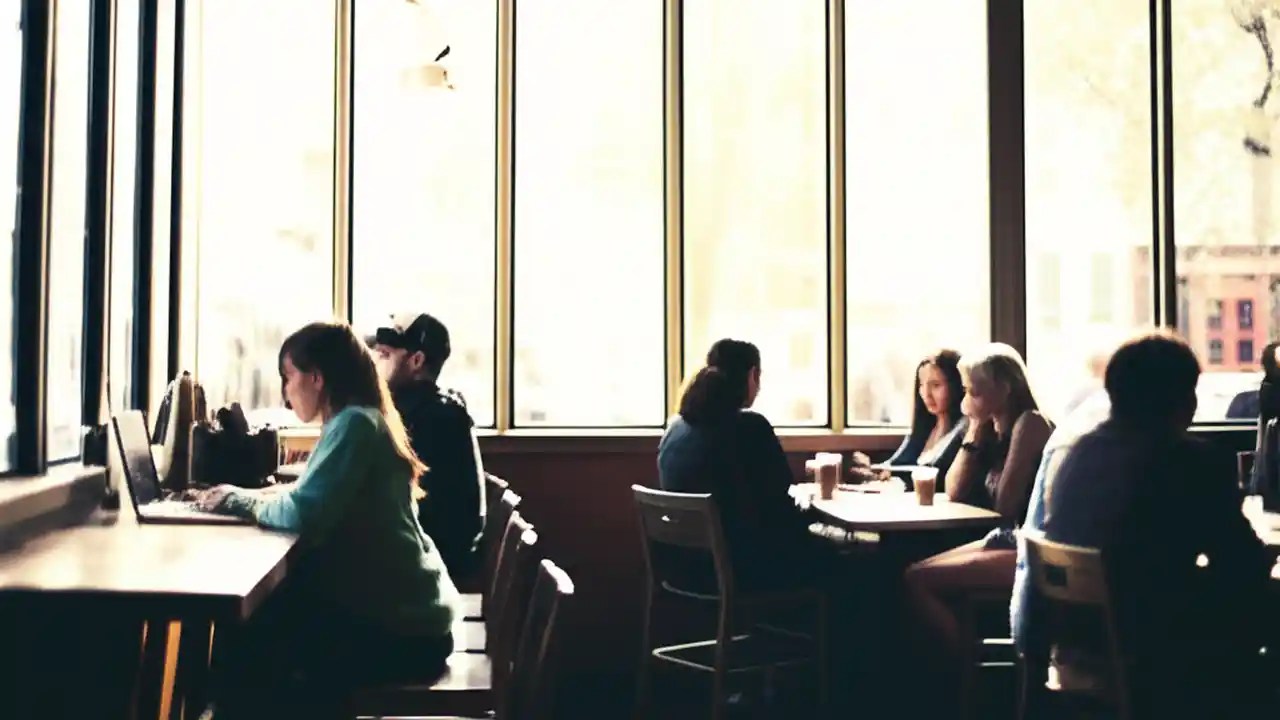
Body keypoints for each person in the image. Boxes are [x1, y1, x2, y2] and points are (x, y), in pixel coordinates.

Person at [196, 322, 458, 718]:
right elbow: (309, 498)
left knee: (252, 646)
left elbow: (304, 512)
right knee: (260, 633)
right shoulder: (360, 421)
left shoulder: (354, 425)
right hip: (413, 617)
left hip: (405, 631)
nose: (286, 391)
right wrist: (253, 498)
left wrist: (238, 499)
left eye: (289, 377)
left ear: (317, 377)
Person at [1012, 330, 1272, 716]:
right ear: (1182, 399)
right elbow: (1242, 559)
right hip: (1152, 652)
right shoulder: (1184, 460)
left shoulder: (1079, 453)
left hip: (1075, 651)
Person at [902, 343, 1053, 680]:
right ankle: (955, 674)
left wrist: (983, 423)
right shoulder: (989, 428)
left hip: (1029, 545)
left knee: (918, 580)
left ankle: (969, 680)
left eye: (974, 390)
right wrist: (973, 429)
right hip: (1003, 538)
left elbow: (1005, 506)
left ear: (1005, 389)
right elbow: (953, 489)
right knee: (911, 570)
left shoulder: (1030, 424)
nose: (965, 399)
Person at [657, 339, 834, 590]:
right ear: (753, 375)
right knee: (847, 556)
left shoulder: (675, 428)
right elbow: (780, 507)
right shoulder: (750, 428)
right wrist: (819, 512)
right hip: (740, 570)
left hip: (682, 568)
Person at [370, 312, 485, 579]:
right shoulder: (435, 409)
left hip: (430, 566)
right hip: (432, 555)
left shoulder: (425, 419)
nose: (376, 363)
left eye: (386, 355)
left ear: (416, 361)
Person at [883, 349, 969, 486]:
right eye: (922, 385)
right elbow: (894, 464)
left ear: (957, 385)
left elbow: (935, 473)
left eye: (936, 385)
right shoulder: (924, 428)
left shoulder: (963, 429)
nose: (926, 394)